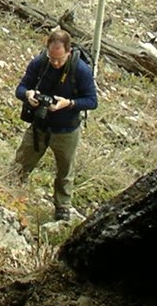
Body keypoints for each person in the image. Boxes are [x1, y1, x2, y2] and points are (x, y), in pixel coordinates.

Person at [12, 28, 98, 221]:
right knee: (20, 164)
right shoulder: (40, 63)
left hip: (67, 129)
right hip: (39, 125)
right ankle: (9, 192)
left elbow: (92, 101)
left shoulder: (81, 70)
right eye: (52, 58)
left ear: (69, 52)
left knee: (65, 171)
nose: (56, 63)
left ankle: (62, 206)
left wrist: (70, 104)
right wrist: (28, 95)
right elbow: (21, 88)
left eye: (60, 59)